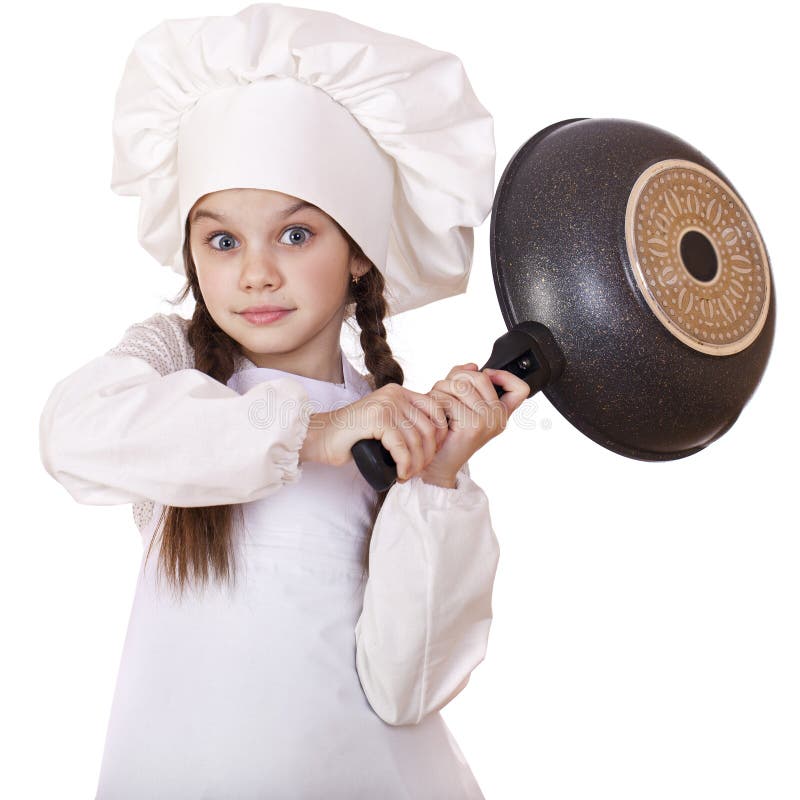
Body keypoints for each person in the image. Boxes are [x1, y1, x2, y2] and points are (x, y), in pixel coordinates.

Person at [39, 4, 530, 798]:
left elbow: (405, 690)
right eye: (222, 240)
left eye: (295, 235)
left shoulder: (395, 430)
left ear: (360, 253)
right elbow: (70, 435)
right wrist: (316, 432)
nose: (255, 273)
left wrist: (437, 479)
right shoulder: (172, 366)